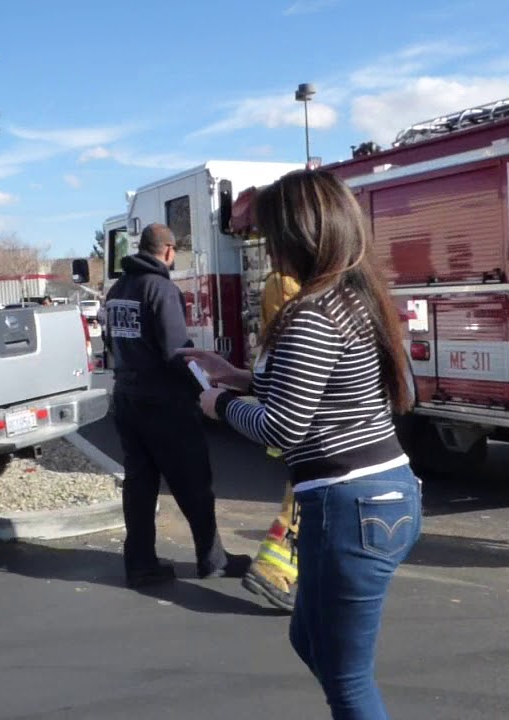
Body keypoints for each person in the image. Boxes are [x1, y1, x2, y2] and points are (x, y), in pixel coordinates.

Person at [181, 169, 421, 719]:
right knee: (308, 640)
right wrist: (236, 375)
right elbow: (314, 388)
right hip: (364, 500)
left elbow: (281, 428)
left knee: (348, 681)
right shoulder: (350, 298)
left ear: (301, 234)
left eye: (270, 235)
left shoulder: (312, 313)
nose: (266, 248)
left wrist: (219, 404)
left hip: (352, 505)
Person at [104, 223, 249, 587]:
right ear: (168, 251)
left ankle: (140, 564)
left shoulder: (118, 288)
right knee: (193, 482)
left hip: (127, 398)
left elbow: (110, 342)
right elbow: (176, 351)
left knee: (139, 485)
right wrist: (205, 389)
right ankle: (212, 560)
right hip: (164, 405)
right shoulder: (162, 289)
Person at [240, 270, 303, 612]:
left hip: (291, 405)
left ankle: (285, 570)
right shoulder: (287, 282)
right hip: (302, 418)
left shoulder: (281, 280)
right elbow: (289, 335)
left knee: (302, 496)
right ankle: (272, 570)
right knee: (302, 502)